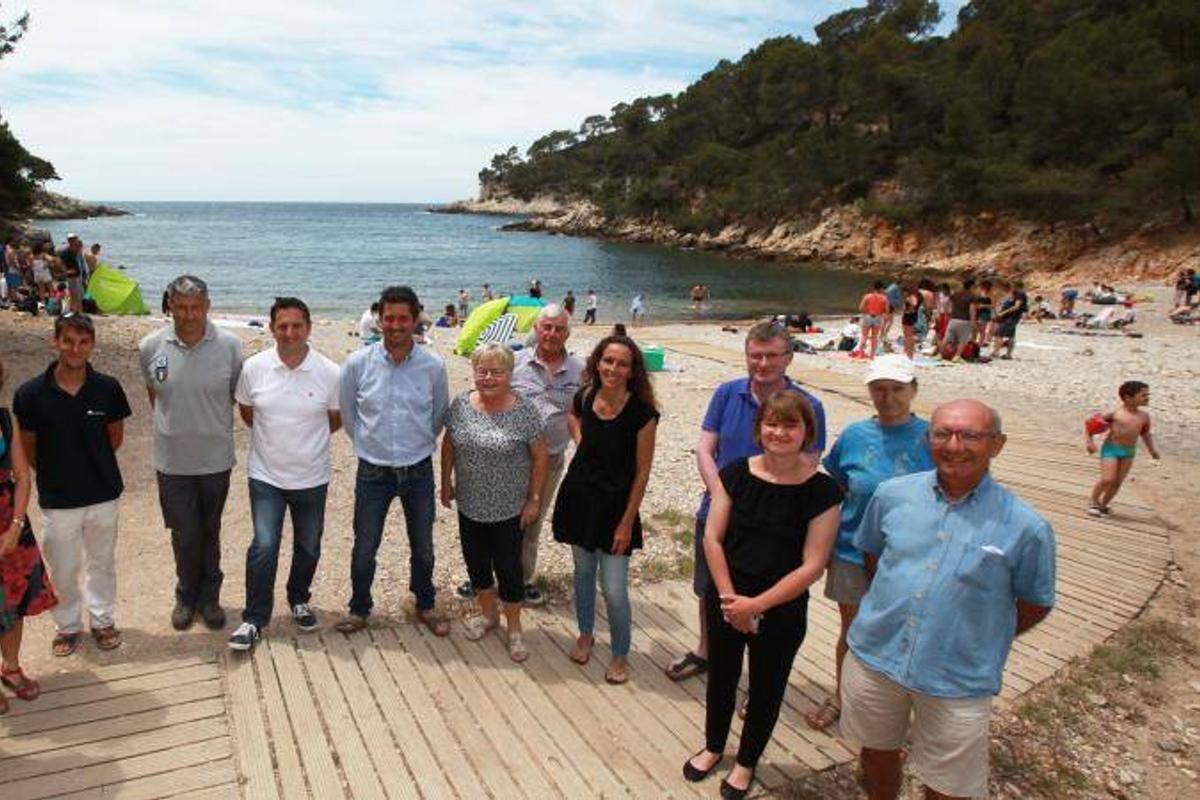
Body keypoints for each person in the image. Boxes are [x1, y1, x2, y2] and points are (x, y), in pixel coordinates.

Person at [840, 399, 1055, 800]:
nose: (954, 446)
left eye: (970, 435)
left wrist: (977, 634)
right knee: (875, 754)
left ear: (997, 444)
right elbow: (874, 557)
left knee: (948, 785)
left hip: (956, 676)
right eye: (943, 434)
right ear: (928, 439)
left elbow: (1035, 602)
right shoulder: (891, 495)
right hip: (876, 657)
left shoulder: (1026, 526)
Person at [683, 391, 840, 799]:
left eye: (790, 425)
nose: (779, 432)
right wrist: (730, 600)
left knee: (768, 687)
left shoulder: (822, 491)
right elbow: (713, 538)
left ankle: (746, 762)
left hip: (781, 606)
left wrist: (757, 606)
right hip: (727, 597)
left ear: (807, 432)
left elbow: (813, 564)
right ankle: (713, 746)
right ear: (759, 429)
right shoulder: (735, 473)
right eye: (772, 423)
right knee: (721, 677)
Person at [667, 321, 827, 683]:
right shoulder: (727, 393)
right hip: (717, 509)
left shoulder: (809, 405)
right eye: (755, 356)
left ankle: (759, 676)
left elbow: (808, 464)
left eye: (772, 356)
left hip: (774, 521)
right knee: (710, 588)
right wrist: (721, 495)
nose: (763, 364)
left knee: (766, 593)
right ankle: (706, 650)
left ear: (789, 357)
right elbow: (706, 449)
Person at [802, 355, 932, 732]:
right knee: (853, 629)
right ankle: (843, 696)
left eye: (897, 389)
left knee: (904, 631)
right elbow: (839, 485)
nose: (888, 397)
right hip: (852, 550)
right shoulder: (855, 435)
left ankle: (895, 705)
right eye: (879, 389)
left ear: (913, 390)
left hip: (909, 555)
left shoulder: (932, 437)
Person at [227, 298, 341, 651]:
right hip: (266, 476)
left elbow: (335, 419)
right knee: (264, 545)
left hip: (312, 477)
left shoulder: (330, 372)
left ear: (309, 327)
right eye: (282, 326)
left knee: (308, 546)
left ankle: (298, 598)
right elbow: (248, 412)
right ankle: (254, 619)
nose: (289, 333)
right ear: (272, 328)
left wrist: (305, 443)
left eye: (296, 326)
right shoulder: (254, 368)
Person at [14, 314, 130, 656]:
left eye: (83, 342)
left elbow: (114, 438)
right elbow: (29, 448)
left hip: (103, 494)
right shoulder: (30, 394)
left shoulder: (108, 388)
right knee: (63, 568)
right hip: (58, 499)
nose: (75, 349)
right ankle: (67, 626)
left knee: (102, 562)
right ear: (56, 342)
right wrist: (58, 473)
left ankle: (102, 620)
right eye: (68, 341)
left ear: (92, 345)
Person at [338, 285, 451, 636]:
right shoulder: (357, 364)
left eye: (403, 318)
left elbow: (438, 415)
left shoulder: (434, 366)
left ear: (415, 320)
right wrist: (368, 445)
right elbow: (349, 415)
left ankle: (425, 604)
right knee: (365, 545)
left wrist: (418, 444)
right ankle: (359, 609)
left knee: (423, 546)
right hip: (373, 471)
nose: (396, 325)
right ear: (379, 319)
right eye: (389, 318)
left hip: (418, 468)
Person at [552, 335, 659, 684]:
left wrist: (626, 523)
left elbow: (642, 471)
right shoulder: (585, 396)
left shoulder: (642, 414)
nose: (613, 368)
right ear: (597, 363)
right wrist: (581, 439)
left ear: (633, 371)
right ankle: (585, 634)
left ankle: (620, 652)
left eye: (622, 364)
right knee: (583, 574)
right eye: (608, 361)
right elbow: (571, 415)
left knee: (613, 588)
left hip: (616, 508)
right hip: (580, 499)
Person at [140, 276, 243, 631]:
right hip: (171, 461)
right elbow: (155, 396)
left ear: (207, 306)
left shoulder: (230, 346)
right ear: (170, 305)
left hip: (216, 459)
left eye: (195, 307)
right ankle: (186, 596)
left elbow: (233, 395)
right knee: (184, 533)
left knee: (210, 530)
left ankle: (210, 598)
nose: (188, 315)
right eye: (181, 307)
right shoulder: (150, 346)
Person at [441, 343, 547, 661]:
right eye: (482, 371)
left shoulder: (525, 410)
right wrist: (445, 482)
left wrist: (534, 499)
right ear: (474, 372)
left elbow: (541, 457)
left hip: (508, 509)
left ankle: (514, 629)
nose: (488, 378)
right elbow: (449, 444)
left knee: (509, 570)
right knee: (476, 565)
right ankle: (489, 616)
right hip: (470, 505)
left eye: (496, 372)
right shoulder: (461, 404)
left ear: (510, 374)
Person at [500, 304, 584, 605]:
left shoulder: (579, 371)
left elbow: (582, 413)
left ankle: (523, 580)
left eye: (559, 329)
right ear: (536, 329)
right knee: (498, 518)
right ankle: (486, 577)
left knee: (532, 521)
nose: (551, 333)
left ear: (567, 333)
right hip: (511, 458)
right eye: (546, 327)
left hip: (550, 460)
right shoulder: (514, 362)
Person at [0, 356, 59, 715]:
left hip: (9, 523)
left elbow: (22, 476)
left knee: (14, 602)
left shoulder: (5, 420)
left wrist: (16, 526)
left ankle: (11, 666)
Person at [1086, 381, 1159, 517]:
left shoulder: (1144, 416)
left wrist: (1152, 450)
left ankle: (1103, 505)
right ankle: (1093, 501)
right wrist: (1090, 442)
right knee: (1108, 479)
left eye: (1147, 395)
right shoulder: (1115, 414)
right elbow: (1090, 424)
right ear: (1128, 397)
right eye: (1143, 395)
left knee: (1117, 482)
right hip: (1111, 449)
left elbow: (1145, 434)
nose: (1147, 398)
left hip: (1128, 452)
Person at [941, 277, 976, 361]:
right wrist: (973, 322)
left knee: (947, 338)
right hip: (965, 320)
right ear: (971, 286)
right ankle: (957, 356)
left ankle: (940, 354)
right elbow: (972, 310)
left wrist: (946, 313)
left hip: (953, 319)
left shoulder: (956, 293)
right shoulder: (971, 296)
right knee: (963, 340)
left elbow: (947, 303)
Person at [991, 281, 1028, 359]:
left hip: (1011, 317)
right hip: (1008, 317)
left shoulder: (1020, 293)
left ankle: (996, 352)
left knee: (999, 334)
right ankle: (1008, 354)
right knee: (1010, 335)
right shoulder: (1016, 293)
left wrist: (1002, 313)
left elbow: (1016, 307)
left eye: (1012, 285)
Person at [857, 282, 889, 358]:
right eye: (883, 289)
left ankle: (861, 354)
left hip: (867, 316)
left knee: (864, 336)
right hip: (878, 317)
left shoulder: (867, 296)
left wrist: (867, 311)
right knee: (874, 337)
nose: (884, 290)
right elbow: (887, 310)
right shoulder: (884, 298)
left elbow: (861, 308)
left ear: (874, 288)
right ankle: (872, 356)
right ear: (880, 288)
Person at [58, 234, 88, 314]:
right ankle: (77, 311)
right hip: (72, 276)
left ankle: (76, 311)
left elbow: (82, 264)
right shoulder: (66, 251)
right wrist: (66, 271)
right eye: (74, 240)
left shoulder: (76, 250)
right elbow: (61, 262)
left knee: (77, 294)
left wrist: (85, 274)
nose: (75, 241)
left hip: (78, 275)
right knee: (75, 294)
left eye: (76, 239)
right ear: (70, 241)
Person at [900, 285, 920, 359]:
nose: (903, 294)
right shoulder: (908, 298)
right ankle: (906, 350)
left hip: (909, 316)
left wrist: (910, 308)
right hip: (907, 316)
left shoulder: (911, 297)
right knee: (906, 334)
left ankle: (910, 353)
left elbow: (914, 305)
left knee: (909, 335)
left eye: (904, 292)